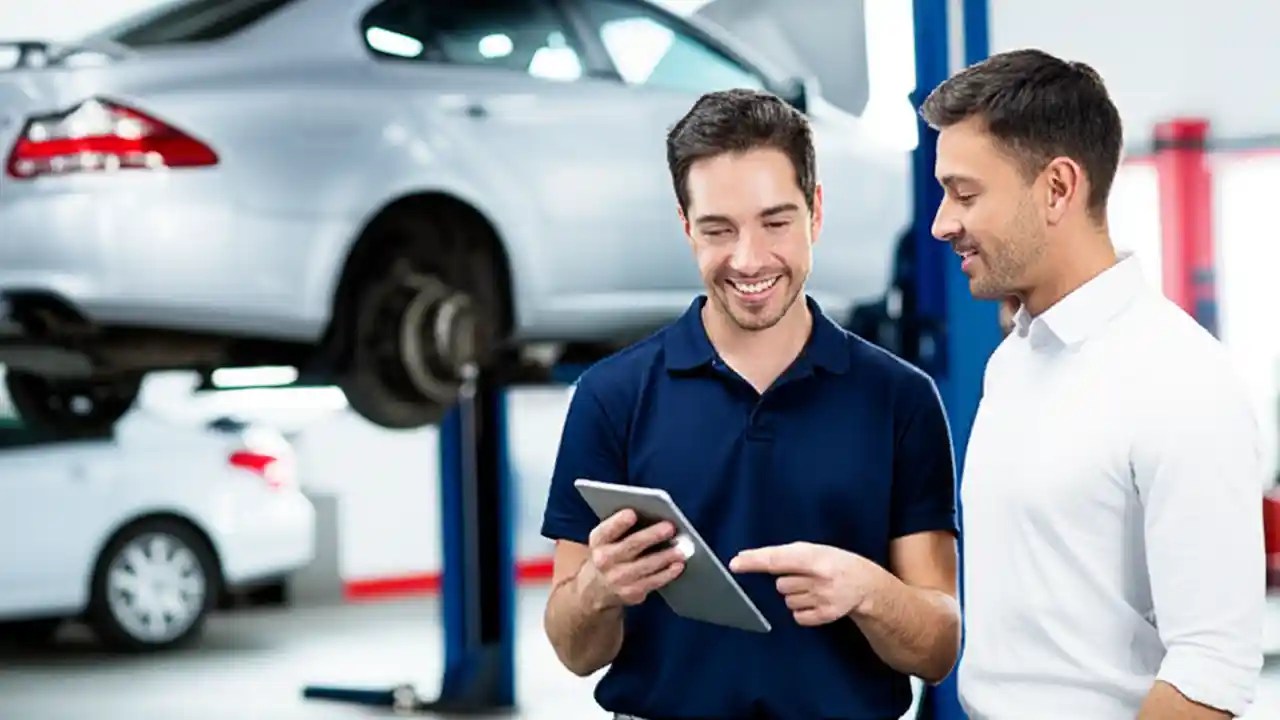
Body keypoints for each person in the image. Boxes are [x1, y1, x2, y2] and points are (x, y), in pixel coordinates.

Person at [540, 88, 962, 720]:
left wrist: (868, 591)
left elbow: (936, 650)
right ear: (686, 227)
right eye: (718, 230)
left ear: (816, 212)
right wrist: (600, 590)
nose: (748, 259)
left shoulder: (899, 399)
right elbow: (575, 652)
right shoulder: (612, 396)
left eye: (775, 222)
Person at [923, 48, 1266, 719]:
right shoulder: (1014, 360)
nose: (942, 222)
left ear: (1057, 189)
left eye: (965, 194)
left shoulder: (1181, 380)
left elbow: (1210, 670)